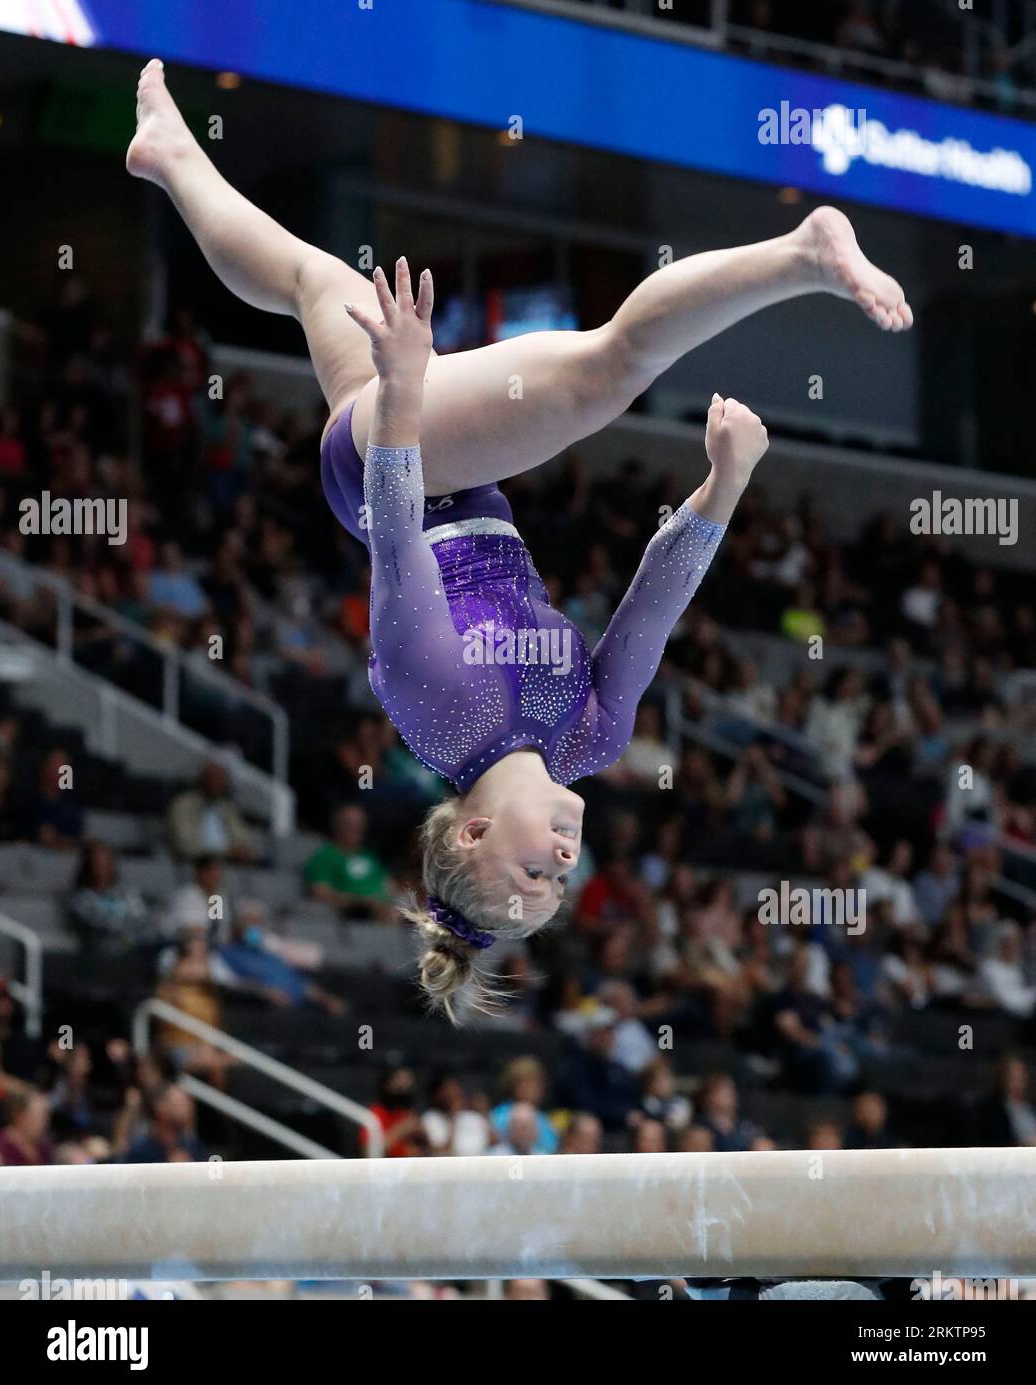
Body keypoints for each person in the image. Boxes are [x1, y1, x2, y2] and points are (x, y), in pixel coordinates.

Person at [128, 59, 911, 1018]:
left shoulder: (438, 708)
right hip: (444, 465)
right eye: (557, 890)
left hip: (399, 472)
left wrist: (405, 392)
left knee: (603, 372)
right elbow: (650, 609)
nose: (562, 870)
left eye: (530, 879)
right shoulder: (589, 737)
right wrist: (722, 485)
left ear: (468, 835)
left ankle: (801, 251)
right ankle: (171, 158)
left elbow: (401, 536)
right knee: (307, 279)